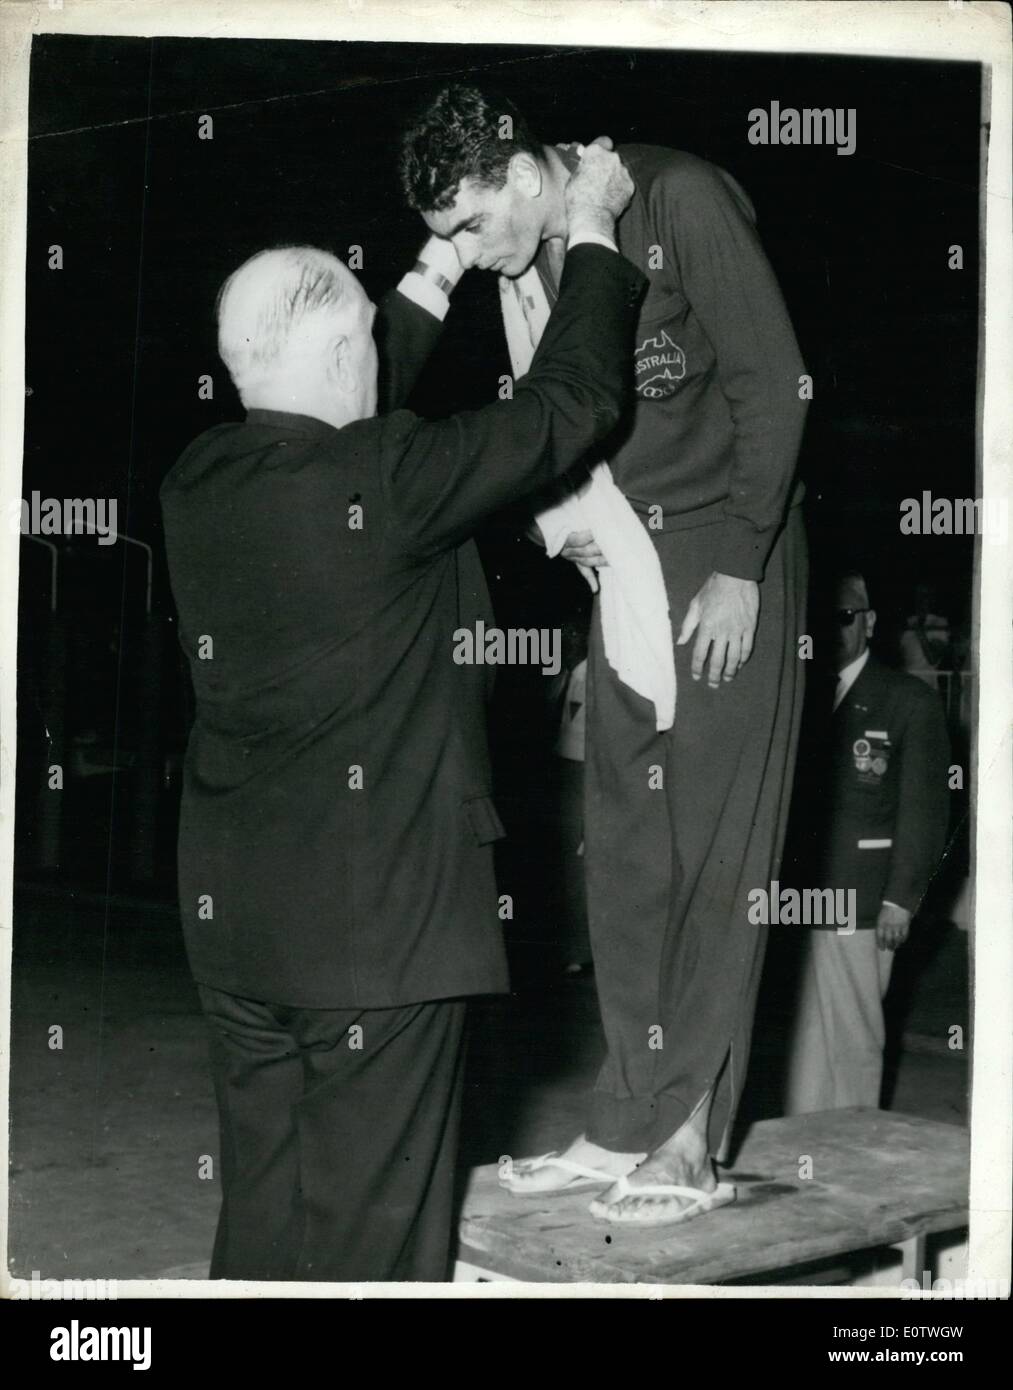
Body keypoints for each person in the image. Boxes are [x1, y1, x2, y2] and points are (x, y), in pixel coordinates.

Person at [159, 143, 646, 1280]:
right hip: (381, 944)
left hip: (241, 937)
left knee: (269, 1225)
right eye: (364, 347)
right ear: (344, 354)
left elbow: (330, 400)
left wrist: (433, 272)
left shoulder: (197, 483)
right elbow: (575, 402)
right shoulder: (390, 478)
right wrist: (589, 232)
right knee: (374, 1255)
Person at [400, 85, 809, 1227]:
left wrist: (741, 556)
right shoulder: (534, 256)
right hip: (624, 561)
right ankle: (625, 1110)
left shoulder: (675, 196)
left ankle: (688, 1134)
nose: (464, 256)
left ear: (525, 178)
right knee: (627, 851)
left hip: (729, 556)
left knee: (716, 858)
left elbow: (772, 380)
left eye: (468, 225)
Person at [784, 571, 951, 1113]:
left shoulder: (906, 701)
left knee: (855, 1030)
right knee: (804, 1034)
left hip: (862, 895)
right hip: (801, 893)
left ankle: (854, 1131)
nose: (835, 629)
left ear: (870, 623)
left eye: (846, 616)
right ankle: (807, 1130)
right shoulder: (802, 695)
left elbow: (925, 811)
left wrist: (902, 898)